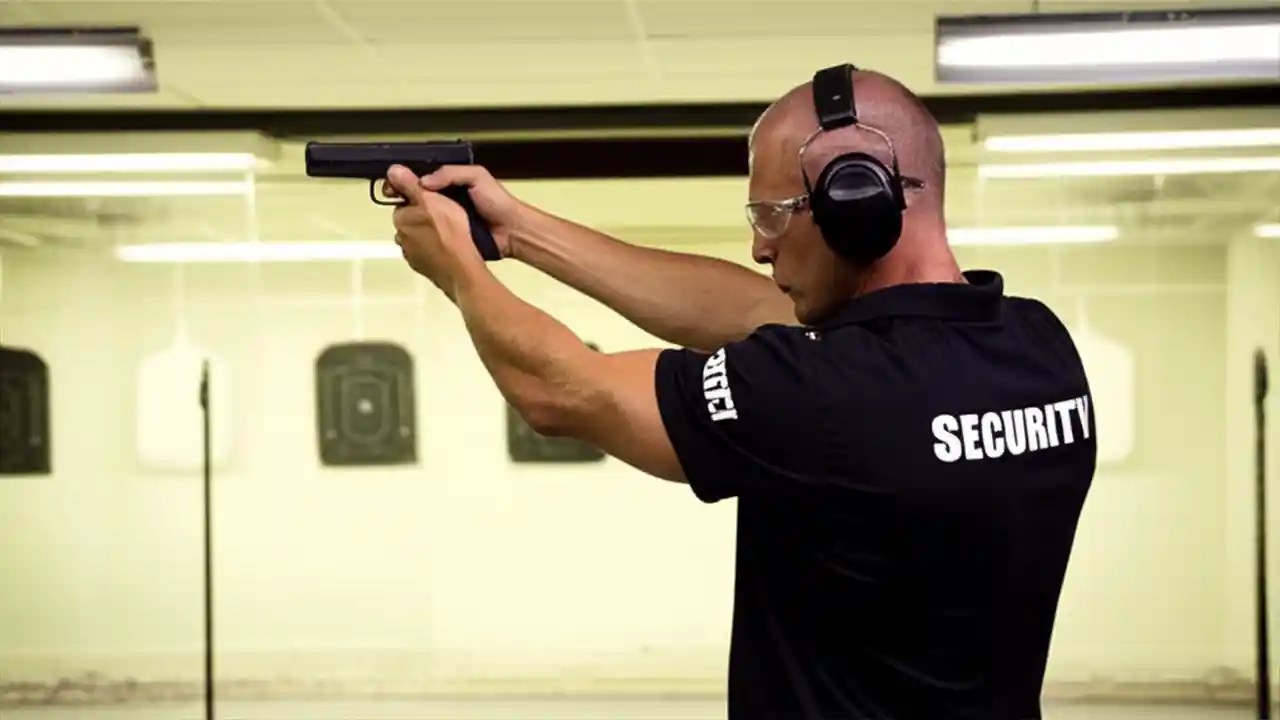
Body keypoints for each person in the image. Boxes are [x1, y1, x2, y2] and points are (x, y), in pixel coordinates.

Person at [382, 64, 1097, 720]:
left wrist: (455, 271)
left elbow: (559, 392)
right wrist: (517, 232)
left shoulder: (826, 395)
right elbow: (750, 312)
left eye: (774, 216)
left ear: (857, 204)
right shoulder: (1037, 346)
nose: (761, 247)